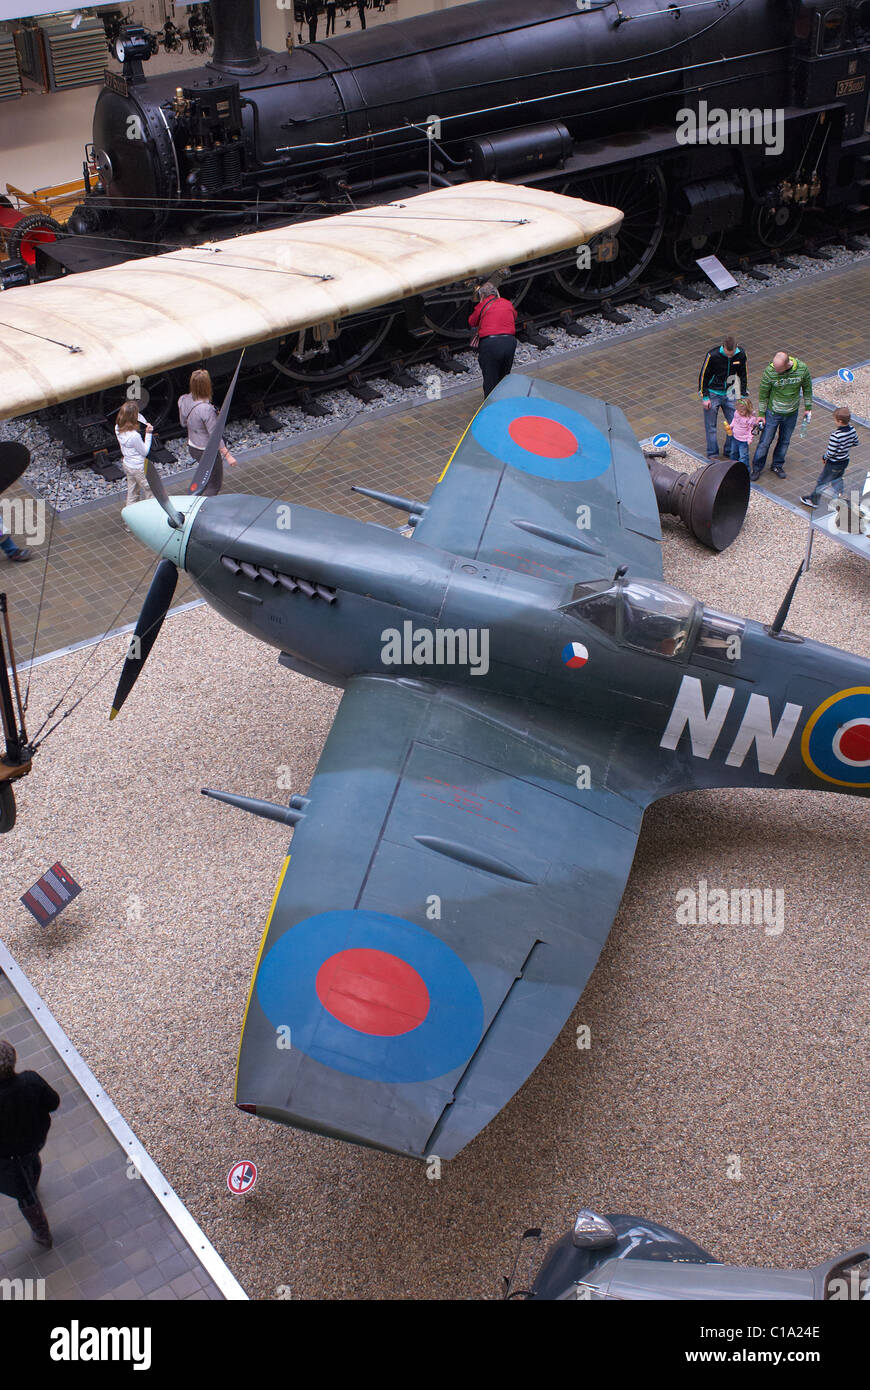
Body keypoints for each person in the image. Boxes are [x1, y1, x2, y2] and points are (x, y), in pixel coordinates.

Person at [0, 1039, 60, 1249]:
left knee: (24, 1193)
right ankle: (33, 1181)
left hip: (8, 1160)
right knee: (31, 1167)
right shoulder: (30, 1081)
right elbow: (53, 1102)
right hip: (34, 1142)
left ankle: (43, 1233)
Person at [751, 351, 813, 481]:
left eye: (778, 369)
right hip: (773, 413)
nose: (775, 370)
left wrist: (808, 408)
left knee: (784, 441)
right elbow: (763, 394)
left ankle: (777, 465)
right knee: (765, 442)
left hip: (791, 413)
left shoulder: (802, 369)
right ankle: (757, 468)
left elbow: (807, 388)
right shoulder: (770, 371)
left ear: (786, 365)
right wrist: (761, 414)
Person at [698, 334, 747, 460]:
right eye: (727, 354)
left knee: (734, 423)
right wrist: (705, 397)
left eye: (731, 354)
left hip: (731, 392)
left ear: (736, 348)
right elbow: (704, 376)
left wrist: (742, 395)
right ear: (723, 347)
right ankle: (712, 454)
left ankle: (729, 450)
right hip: (713, 392)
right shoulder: (712, 355)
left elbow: (743, 375)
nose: (729, 356)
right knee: (711, 426)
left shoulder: (741, 354)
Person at [177, 370, 237, 469]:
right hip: (206, 450)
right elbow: (215, 435)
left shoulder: (183, 399)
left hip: (192, 446)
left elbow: (183, 423)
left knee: (207, 478)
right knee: (214, 482)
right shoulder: (206, 409)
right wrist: (228, 456)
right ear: (207, 385)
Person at [801, 407, 860, 507]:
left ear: (840, 421)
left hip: (833, 463)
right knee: (838, 479)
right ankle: (840, 497)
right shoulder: (852, 430)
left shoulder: (835, 435)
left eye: (835, 420)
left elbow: (831, 452)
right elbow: (856, 442)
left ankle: (814, 500)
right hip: (844, 460)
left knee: (822, 481)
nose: (835, 422)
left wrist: (824, 457)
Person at [468, 282, 517, 398]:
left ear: (482, 296)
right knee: (505, 376)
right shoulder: (507, 303)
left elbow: (472, 322)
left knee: (490, 379)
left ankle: (490, 407)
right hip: (509, 342)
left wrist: (480, 304)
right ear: (497, 293)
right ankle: (504, 401)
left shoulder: (482, 305)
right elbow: (514, 316)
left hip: (490, 344)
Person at [115, 401, 154, 509]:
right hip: (139, 467)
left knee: (132, 493)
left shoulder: (117, 427)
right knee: (151, 492)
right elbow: (145, 451)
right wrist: (149, 433)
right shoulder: (134, 436)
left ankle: (129, 523)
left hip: (128, 464)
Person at [728, 397, 761, 472]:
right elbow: (735, 420)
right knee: (733, 453)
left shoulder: (750, 419)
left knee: (743, 457)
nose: (740, 412)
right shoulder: (737, 413)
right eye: (738, 410)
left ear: (748, 410)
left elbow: (751, 430)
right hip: (735, 437)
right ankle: (732, 467)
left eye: (742, 411)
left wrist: (750, 438)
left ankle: (745, 470)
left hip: (743, 441)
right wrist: (731, 426)